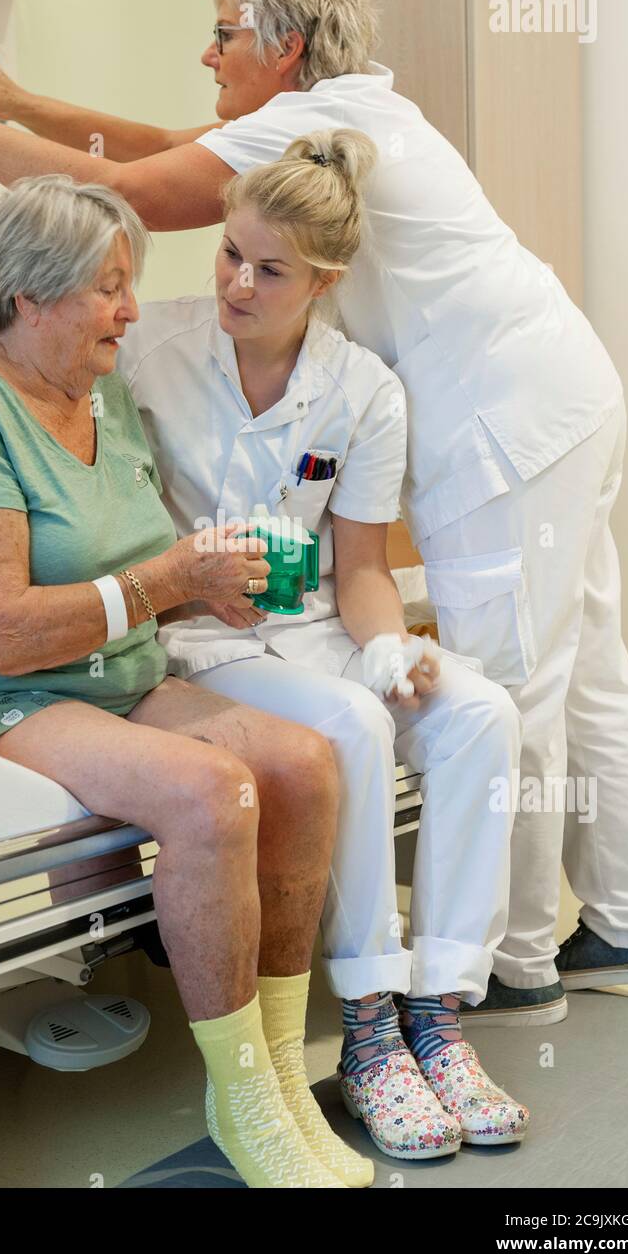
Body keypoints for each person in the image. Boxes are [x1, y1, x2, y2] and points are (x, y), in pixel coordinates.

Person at [0, 0, 628, 1023]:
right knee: (586, 667)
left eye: (221, 35)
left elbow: (141, 188)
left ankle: (514, 957)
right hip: (561, 385)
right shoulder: (332, 124)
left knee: (510, 684)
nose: (207, 56)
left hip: (502, 421)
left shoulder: (318, 141)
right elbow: (163, 150)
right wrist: (21, 105)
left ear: (282, 45)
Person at [0, 174, 372, 1190]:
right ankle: (239, 1102)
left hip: (110, 677)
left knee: (304, 765)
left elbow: (125, 575)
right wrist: (166, 580)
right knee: (210, 791)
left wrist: (203, 587)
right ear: (27, 298)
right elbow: (1, 633)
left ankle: (274, 1071)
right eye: (109, 288)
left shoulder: (103, 399)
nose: (131, 311)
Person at [118, 128, 529, 1156]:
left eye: (270, 269)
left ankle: (436, 1017)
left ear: (324, 280)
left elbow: (357, 572)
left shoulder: (363, 390)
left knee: (481, 714)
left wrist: (391, 651)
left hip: (320, 634)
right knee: (347, 723)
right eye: (228, 253)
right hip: (203, 645)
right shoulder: (148, 355)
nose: (237, 283)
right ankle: (366, 1030)